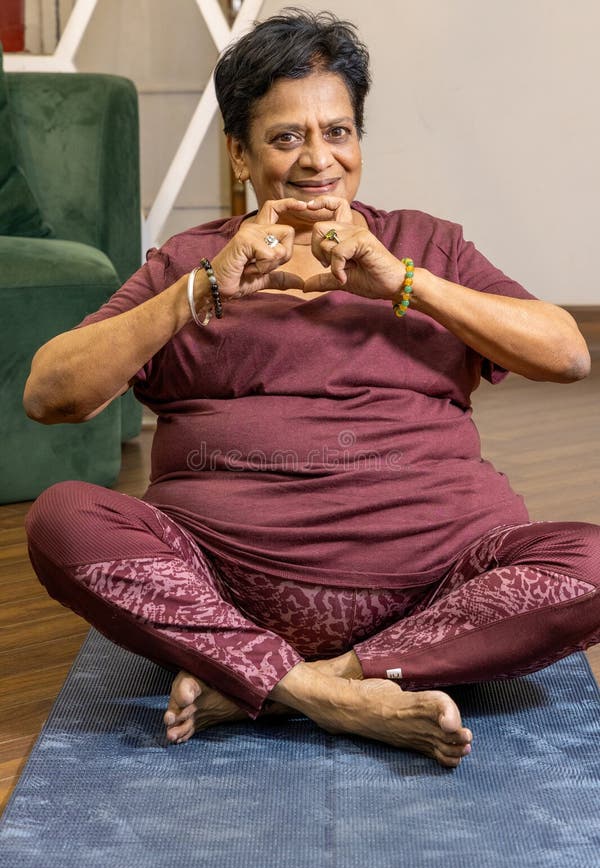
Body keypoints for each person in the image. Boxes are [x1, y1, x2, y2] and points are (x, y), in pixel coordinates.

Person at [23, 10, 599, 769]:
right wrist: (200, 289)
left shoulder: (425, 244)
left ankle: (287, 682)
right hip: (223, 580)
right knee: (62, 519)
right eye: (286, 137)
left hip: (442, 576)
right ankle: (339, 694)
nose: (318, 159)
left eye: (338, 131)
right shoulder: (189, 263)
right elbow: (51, 393)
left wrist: (404, 283)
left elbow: (566, 355)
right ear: (240, 153)